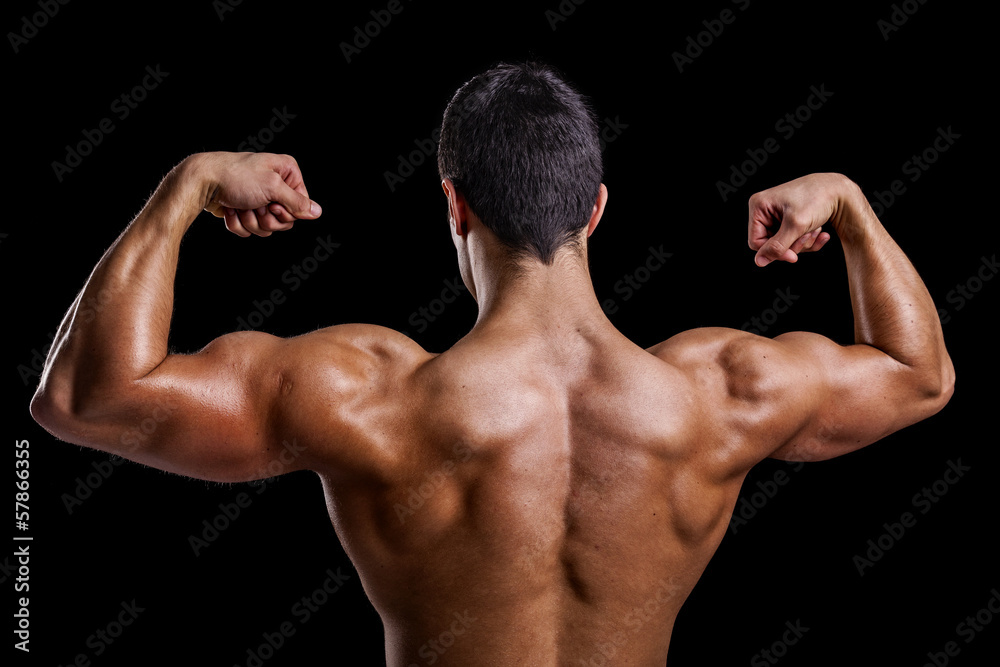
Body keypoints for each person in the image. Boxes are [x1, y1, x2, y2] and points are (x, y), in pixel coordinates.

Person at [30, 62, 954, 665]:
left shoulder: (365, 394)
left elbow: (84, 397)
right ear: (595, 210)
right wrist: (850, 203)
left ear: (455, 205)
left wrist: (186, 184)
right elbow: (920, 374)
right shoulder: (718, 392)